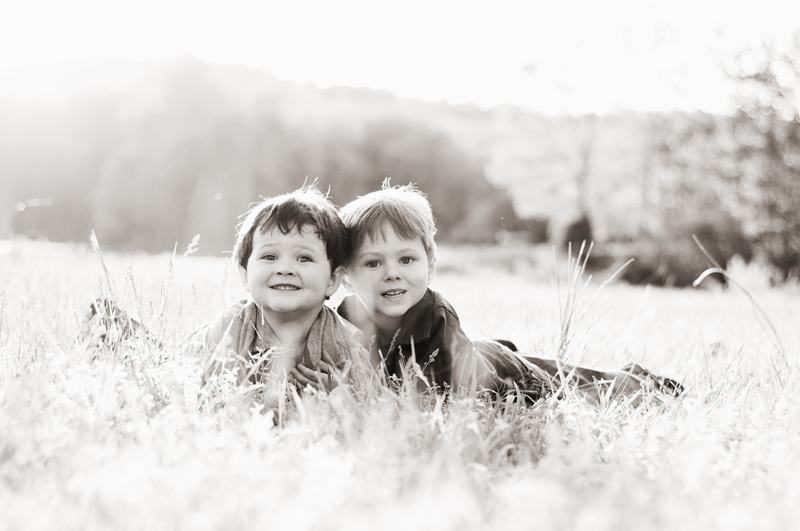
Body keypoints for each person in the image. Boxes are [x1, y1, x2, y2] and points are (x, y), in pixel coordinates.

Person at [329, 181, 682, 403]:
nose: (392, 274)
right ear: (346, 276)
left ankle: (637, 383)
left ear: (430, 264)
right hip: (481, 353)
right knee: (559, 370)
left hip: (507, 379)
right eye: (373, 264)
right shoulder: (341, 321)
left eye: (406, 260)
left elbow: (442, 400)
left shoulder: (433, 316)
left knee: (575, 387)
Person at [198, 185, 369, 400]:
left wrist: (340, 390)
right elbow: (207, 390)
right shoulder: (231, 327)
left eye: (304, 258)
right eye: (269, 257)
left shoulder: (344, 340)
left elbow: (368, 397)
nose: (284, 268)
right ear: (245, 275)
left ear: (333, 280)